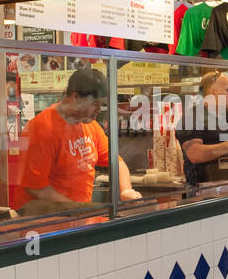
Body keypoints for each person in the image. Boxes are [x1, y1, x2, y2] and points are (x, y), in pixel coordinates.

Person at [19, 67, 141, 209]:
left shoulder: (90, 125)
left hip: (78, 216)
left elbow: (116, 161)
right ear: (75, 97)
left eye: (101, 105)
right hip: (47, 219)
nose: (99, 109)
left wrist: (126, 190)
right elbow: (36, 188)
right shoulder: (42, 128)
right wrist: (77, 208)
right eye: (95, 104)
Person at [176, 71, 228, 187]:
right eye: (227, 91)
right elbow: (195, 154)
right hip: (202, 191)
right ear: (213, 92)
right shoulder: (191, 118)